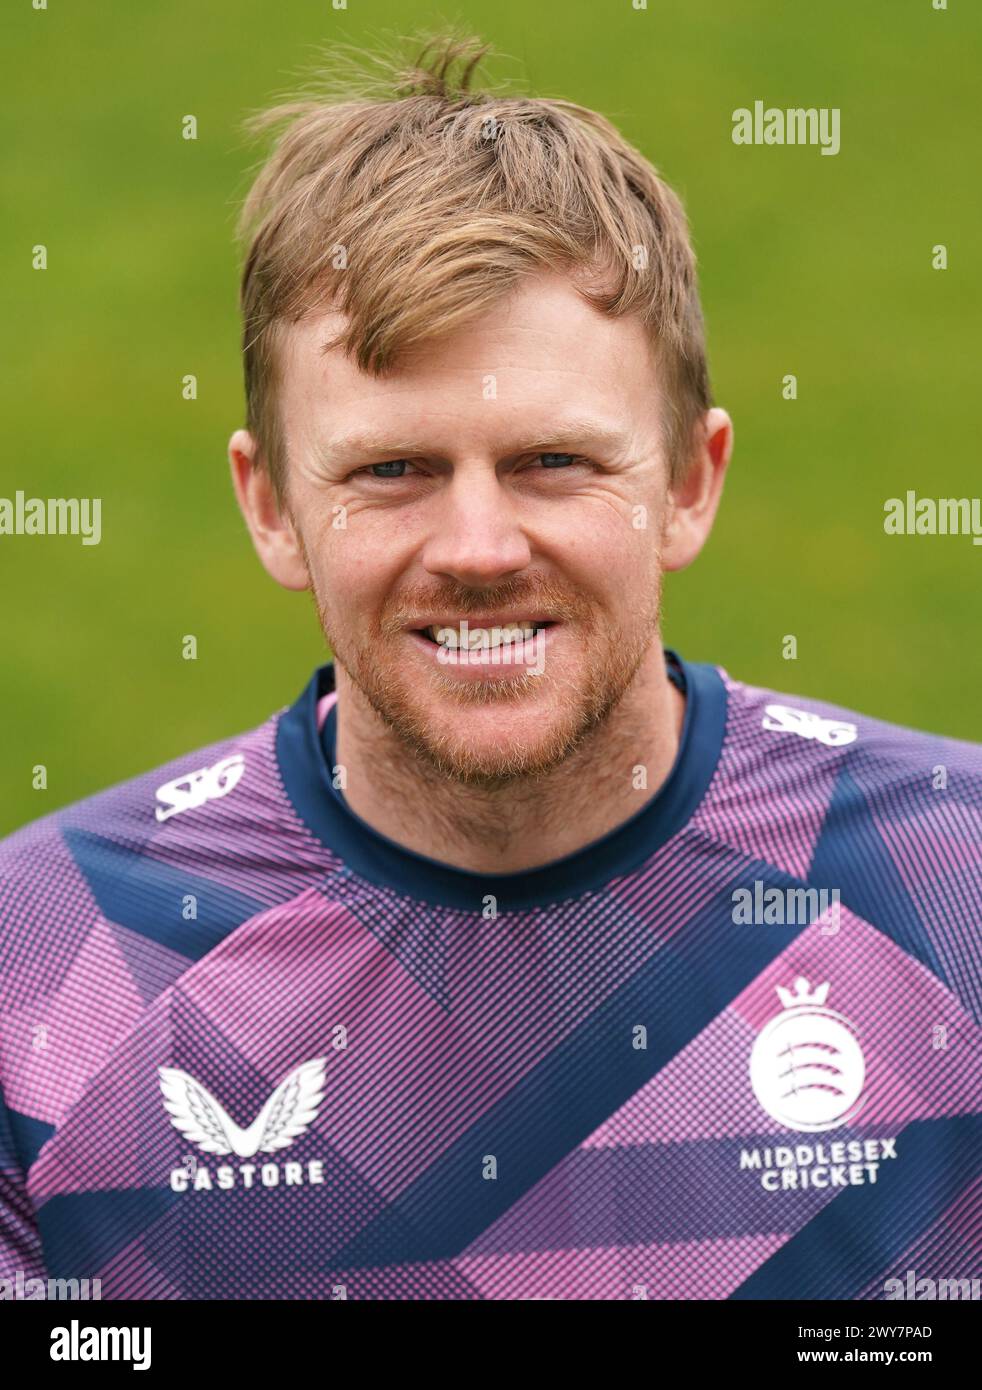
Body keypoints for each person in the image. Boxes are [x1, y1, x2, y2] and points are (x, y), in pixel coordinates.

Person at [1, 33, 978, 1302]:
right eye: (392, 471)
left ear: (688, 484)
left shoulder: (955, 889)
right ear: (272, 507)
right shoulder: (45, 964)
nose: (475, 549)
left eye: (552, 463)